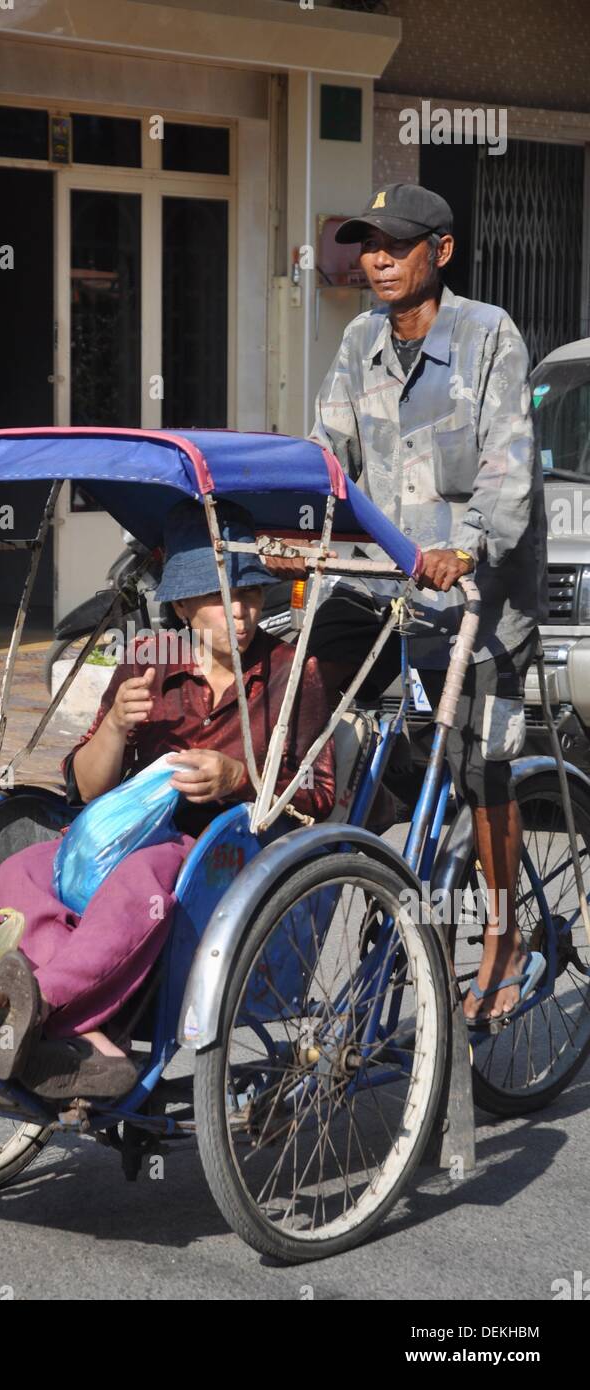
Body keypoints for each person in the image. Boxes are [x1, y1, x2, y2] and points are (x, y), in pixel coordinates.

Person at [278, 182, 547, 1031]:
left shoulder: (486, 334)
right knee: (299, 674)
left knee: (479, 762)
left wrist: (463, 545)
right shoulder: (358, 341)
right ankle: (363, 851)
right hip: (385, 587)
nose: (378, 259)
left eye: (397, 243)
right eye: (367, 244)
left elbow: (509, 467)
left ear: (442, 251)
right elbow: (326, 458)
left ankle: (501, 933)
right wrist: (290, 527)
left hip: (479, 593)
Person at [0, 499, 335, 1100]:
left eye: (250, 595)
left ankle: (40, 1009)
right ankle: (92, 1041)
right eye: (220, 598)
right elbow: (87, 789)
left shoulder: (290, 672)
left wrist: (237, 779)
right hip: (120, 838)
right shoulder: (148, 660)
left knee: (141, 879)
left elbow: (322, 794)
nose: (242, 613)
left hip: (219, 853)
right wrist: (118, 727)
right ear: (182, 607)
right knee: (21, 869)